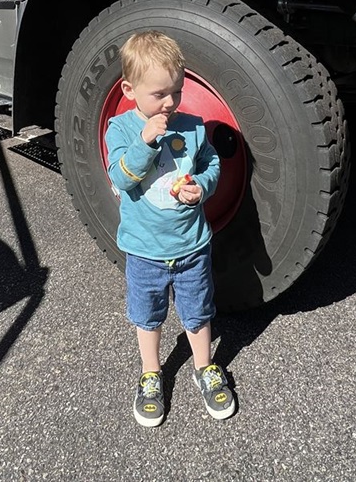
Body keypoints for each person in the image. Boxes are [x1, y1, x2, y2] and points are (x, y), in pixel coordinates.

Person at [104, 30, 235, 426]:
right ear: (129, 90)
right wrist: (145, 142)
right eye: (158, 94)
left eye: (176, 91)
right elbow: (123, 178)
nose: (169, 103)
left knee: (198, 312)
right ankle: (150, 373)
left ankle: (204, 366)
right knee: (148, 317)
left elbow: (211, 163)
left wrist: (203, 186)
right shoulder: (121, 130)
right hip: (145, 249)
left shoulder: (192, 126)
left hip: (192, 244)